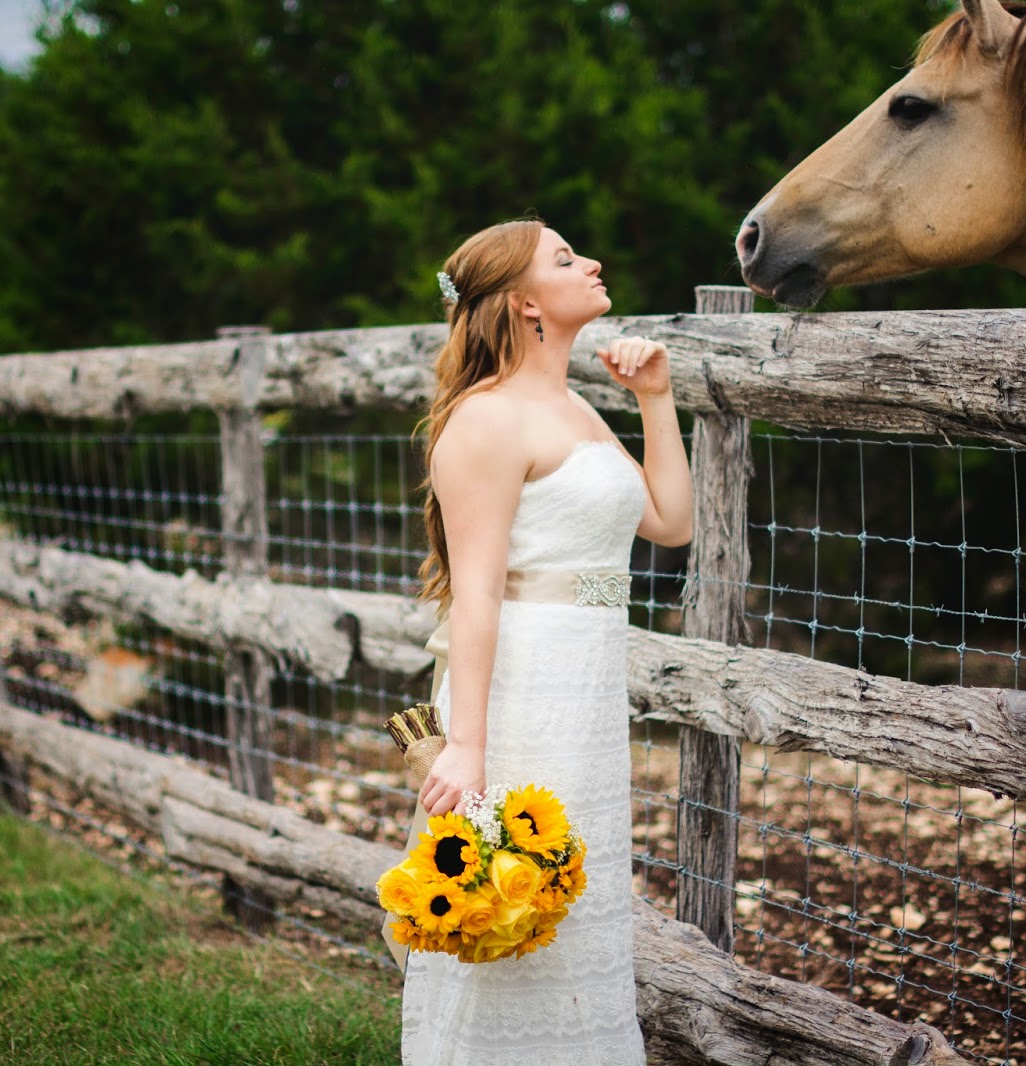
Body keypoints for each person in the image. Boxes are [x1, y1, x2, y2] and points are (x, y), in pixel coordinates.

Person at [396, 218, 693, 1064]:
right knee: (508, 884)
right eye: (565, 259)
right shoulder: (486, 421)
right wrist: (467, 746)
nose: (592, 263)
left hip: (586, 685)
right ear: (525, 303)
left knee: (575, 899)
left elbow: (670, 522)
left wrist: (656, 398)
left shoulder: (575, 408)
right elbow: (478, 594)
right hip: (522, 689)